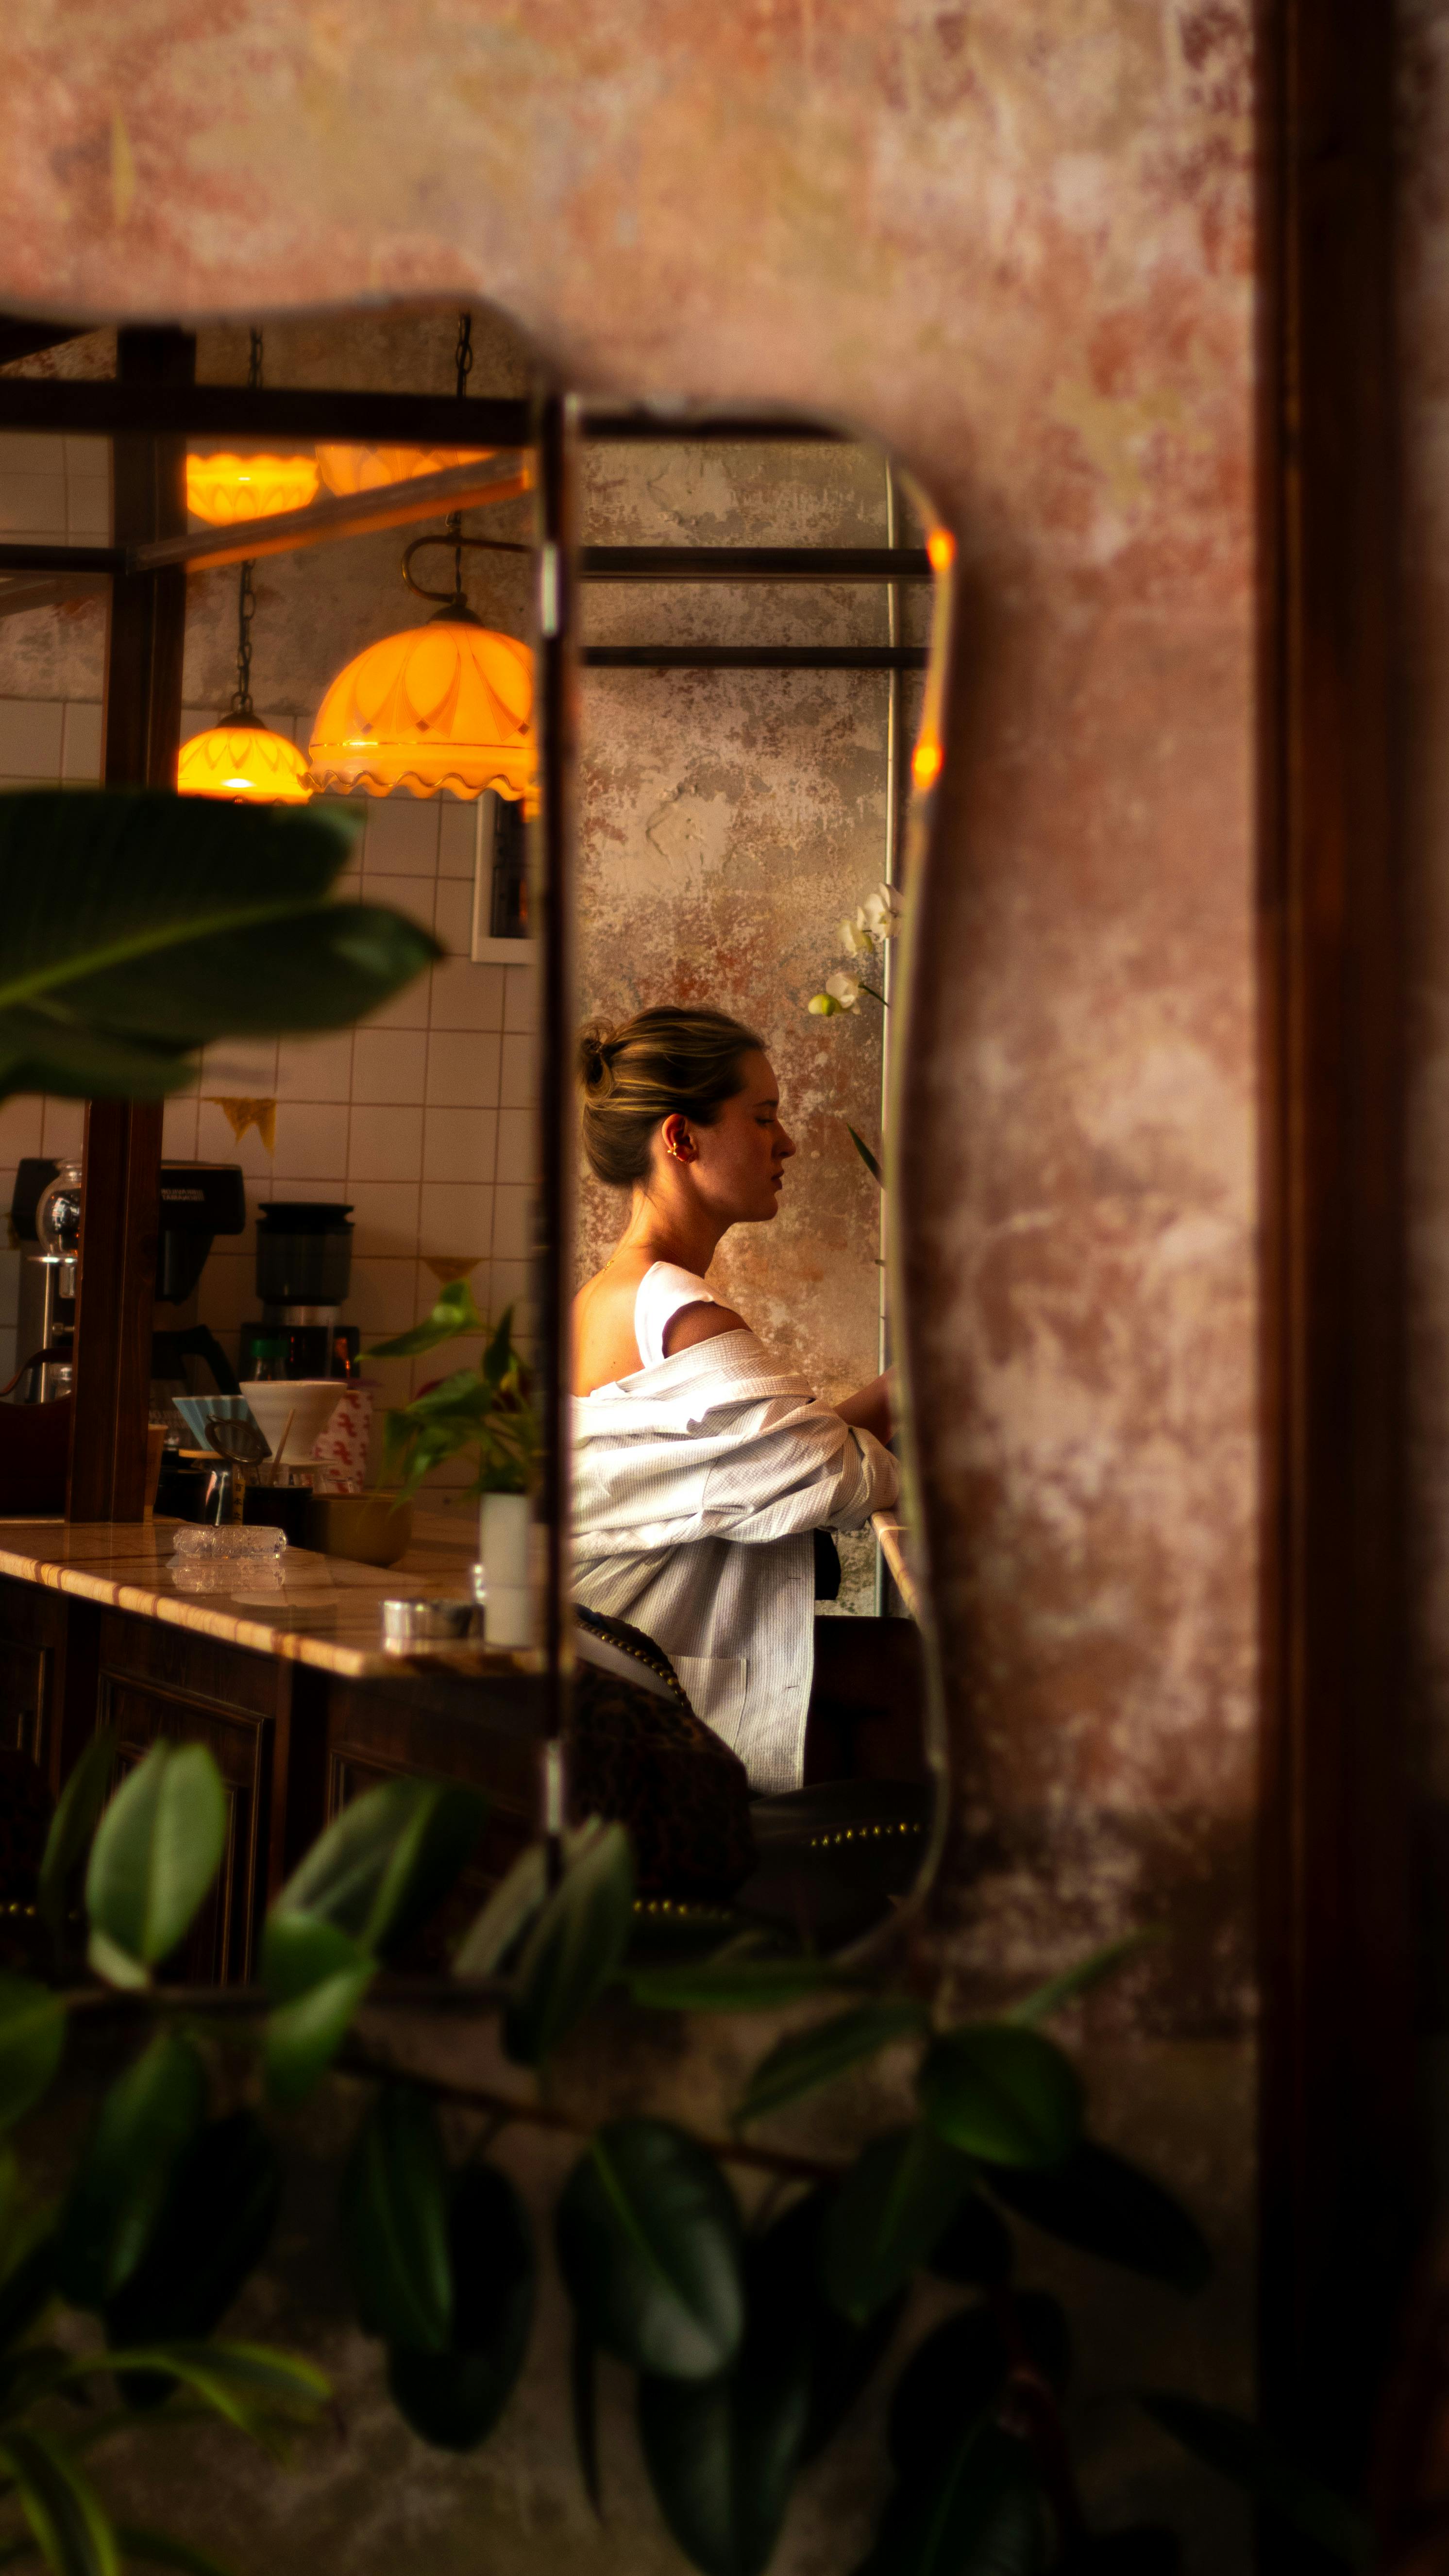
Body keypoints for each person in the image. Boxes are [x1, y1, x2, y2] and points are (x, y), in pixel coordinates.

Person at [572, 1004, 899, 1792]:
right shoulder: (675, 1310)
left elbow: (767, 1458)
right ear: (682, 1139)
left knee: (906, 1670)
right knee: (938, 1684)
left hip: (629, 1674)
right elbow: (826, 1474)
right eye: (763, 1117)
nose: (786, 1141)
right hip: (668, 1698)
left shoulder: (610, 1295)